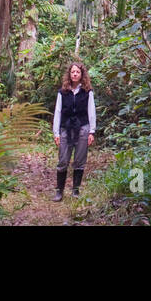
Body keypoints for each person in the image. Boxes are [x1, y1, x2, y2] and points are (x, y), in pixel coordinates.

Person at [52, 61, 96, 201]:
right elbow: (58, 112)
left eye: (78, 72)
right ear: (69, 74)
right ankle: (59, 191)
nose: (75, 74)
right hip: (66, 128)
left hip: (83, 128)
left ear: (82, 74)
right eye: (73, 72)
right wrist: (56, 133)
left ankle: (75, 190)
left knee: (79, 160)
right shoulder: (62, 92)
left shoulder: (87, 92)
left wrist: (92, 131)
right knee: (63, 160)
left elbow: (91, 112)